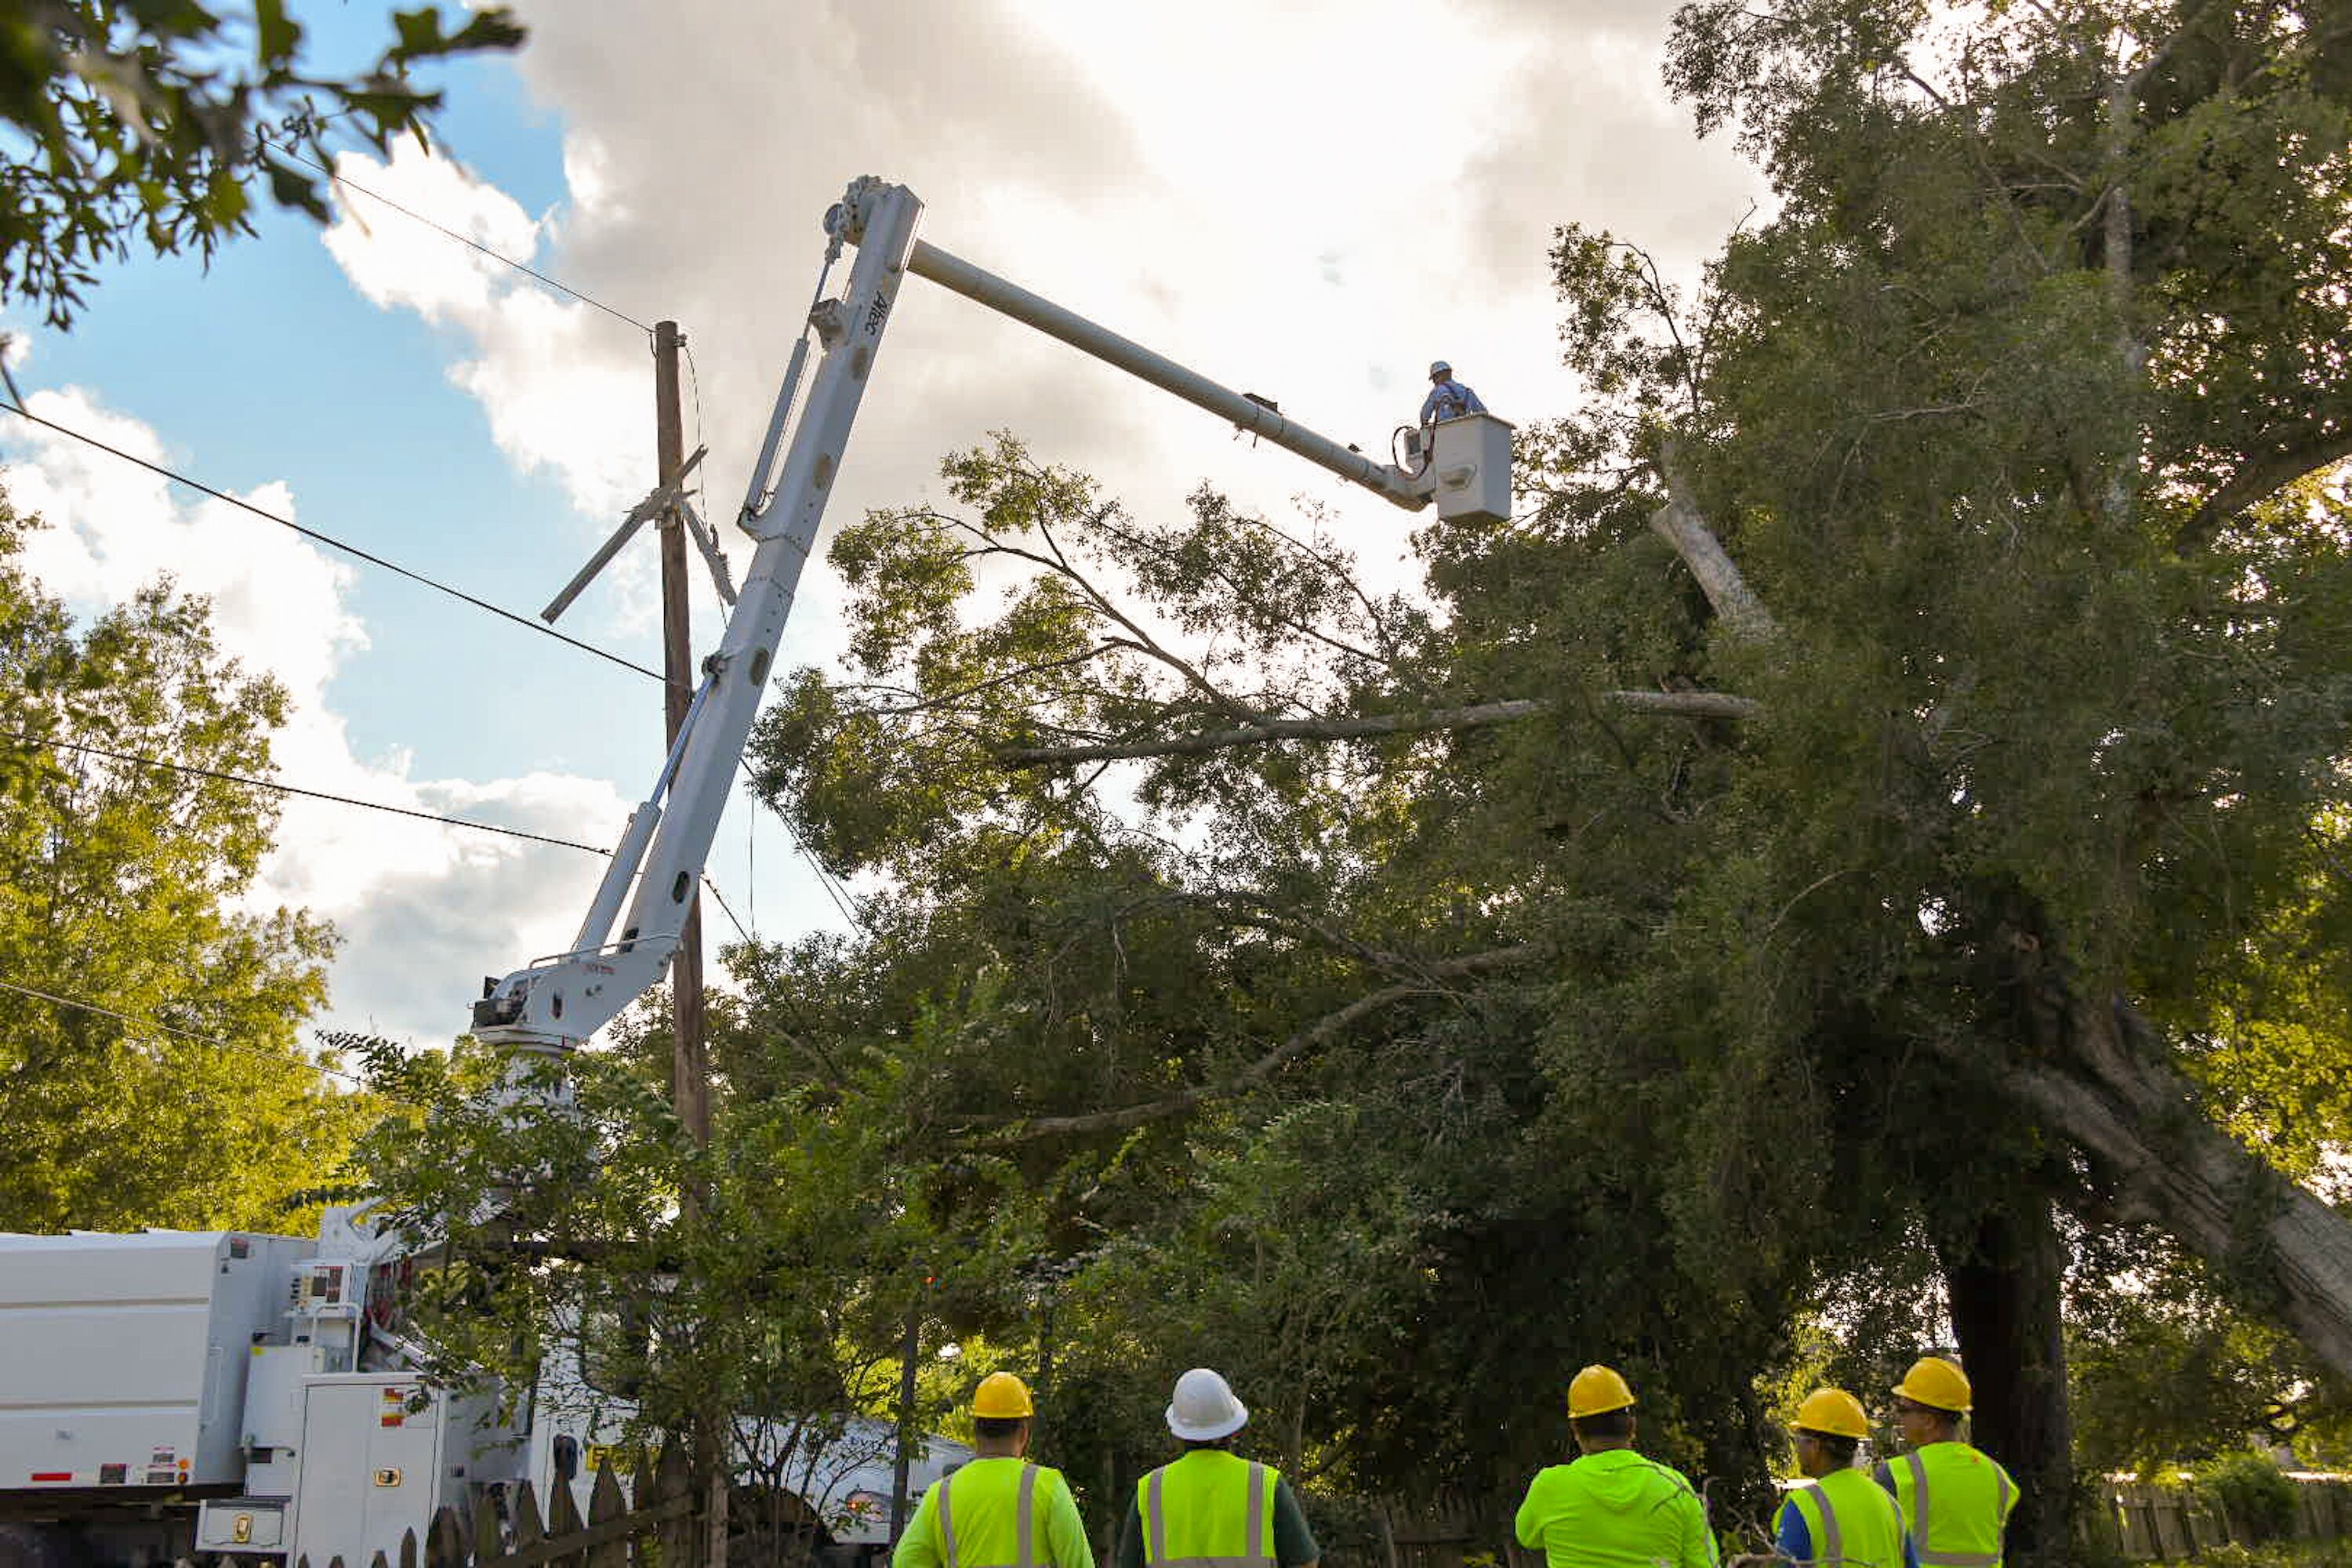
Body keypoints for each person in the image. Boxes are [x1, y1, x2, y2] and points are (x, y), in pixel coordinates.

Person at [1513, 1364, 1718, 1568]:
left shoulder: (1549, 1488)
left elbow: (1527, 1537)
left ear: (1575, 1429)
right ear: (1632, 1426)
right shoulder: (1674, 1488)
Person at [1118, 1368, 1319, 1568]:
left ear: (1178, 1432)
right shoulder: (1265, 1483)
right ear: (1232, 1431)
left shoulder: (1151, 1490)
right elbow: (1305, 1563)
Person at [896, 1372, 1094, 1568]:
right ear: (1024, 1432)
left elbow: (905, 1562)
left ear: (976, 1429)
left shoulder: (941, 1495)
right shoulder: (1048, 1487)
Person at [1875, 1358, 2016, 1568]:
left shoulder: (1895, 1475)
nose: (1898, 1415)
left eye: (1904, 1409)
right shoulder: (1998, 1476)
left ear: (1929, 1421)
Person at [1773, 1388, 1916, 1568]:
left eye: (1798, 1439)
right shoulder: (1889, 1503)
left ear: (1815, 1446)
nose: (1796, 1448)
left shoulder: (1804, 1505)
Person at [1420, 360, 1486, 425]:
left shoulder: (1437, 391)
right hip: (1465, 430)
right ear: (1450, 373)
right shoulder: (1468, 392)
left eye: (1434, 378)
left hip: (1444, 431)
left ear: (1439, 375)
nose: (1434, 382)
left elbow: (1424, 416)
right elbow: (1484, 414)